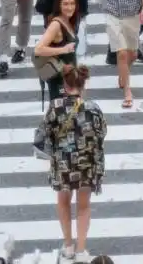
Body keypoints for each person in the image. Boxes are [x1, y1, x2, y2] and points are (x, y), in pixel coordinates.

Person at [43, 63, 106, 264]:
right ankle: (81, 249)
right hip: (87, 162)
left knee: (63, 202)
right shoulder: (93, 108)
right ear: (83, 83)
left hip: (63, 163)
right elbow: (102, 132)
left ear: (65, 83)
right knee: (84, 205)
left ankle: (68, 245)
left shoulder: (55, 107)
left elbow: (47, 135)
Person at [34, 0, 81, 101]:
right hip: (59, 79)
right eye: (65, 4)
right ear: (59, 5)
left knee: (70, 113)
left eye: (72, 3)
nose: (69, 7)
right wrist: (63, 49)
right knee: (62, 113)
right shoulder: (56, 24)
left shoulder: (69, 21)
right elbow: (38, 49)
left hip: (69, 77)